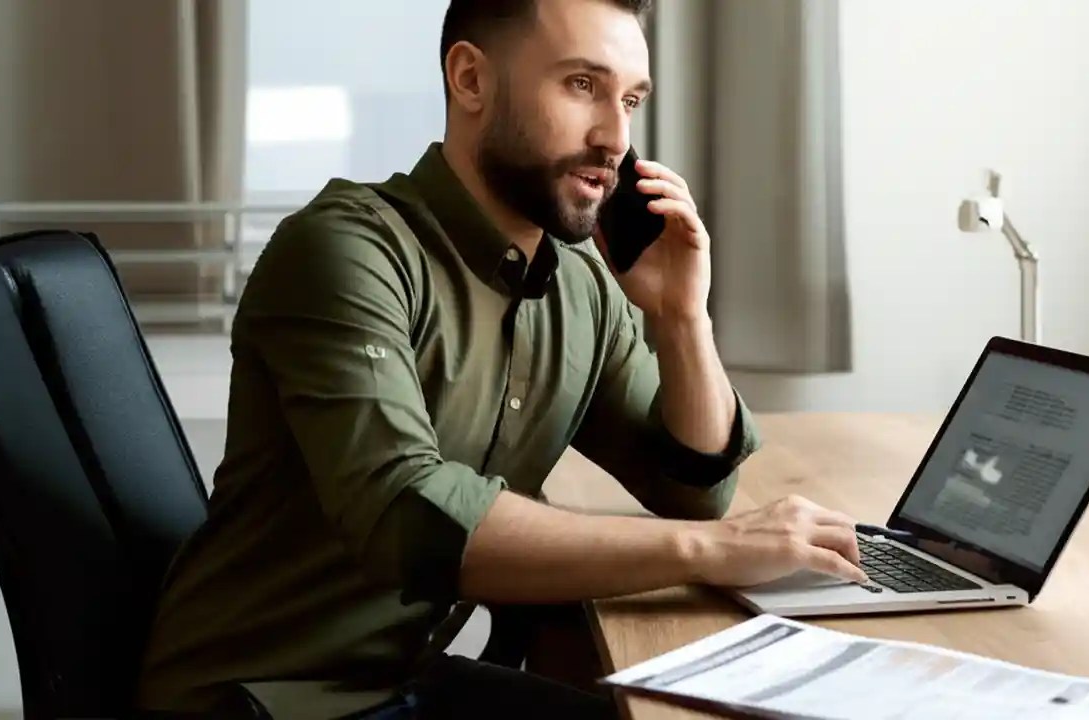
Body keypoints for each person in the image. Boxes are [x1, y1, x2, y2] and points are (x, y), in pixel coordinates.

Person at [136, 0, 868, 716]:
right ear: (470, 80)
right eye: (582, 86)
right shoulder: (346, 251)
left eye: (632, 99)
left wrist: (681, 318)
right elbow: (406, 517)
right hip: (263, 696)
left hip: (404, 676)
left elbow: (693, 486)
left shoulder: (581, 284)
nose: (615, 137)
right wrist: (709, 550)